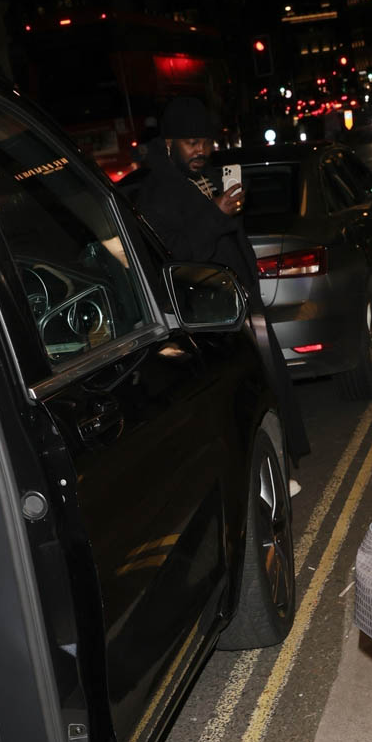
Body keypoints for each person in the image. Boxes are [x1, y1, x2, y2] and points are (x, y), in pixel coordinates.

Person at [136, 96, 309, 473]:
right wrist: (216, 213)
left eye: (205, 142)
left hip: (241, 302)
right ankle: (262, 470)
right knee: (242, 402)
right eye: (190, 143)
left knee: (270, 388)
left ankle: (278, 462)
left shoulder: (207, 177)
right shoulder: (157, 192)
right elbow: (174, 255)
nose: (201, 150)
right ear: (169, 144)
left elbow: (229, 240)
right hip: (208, 317)